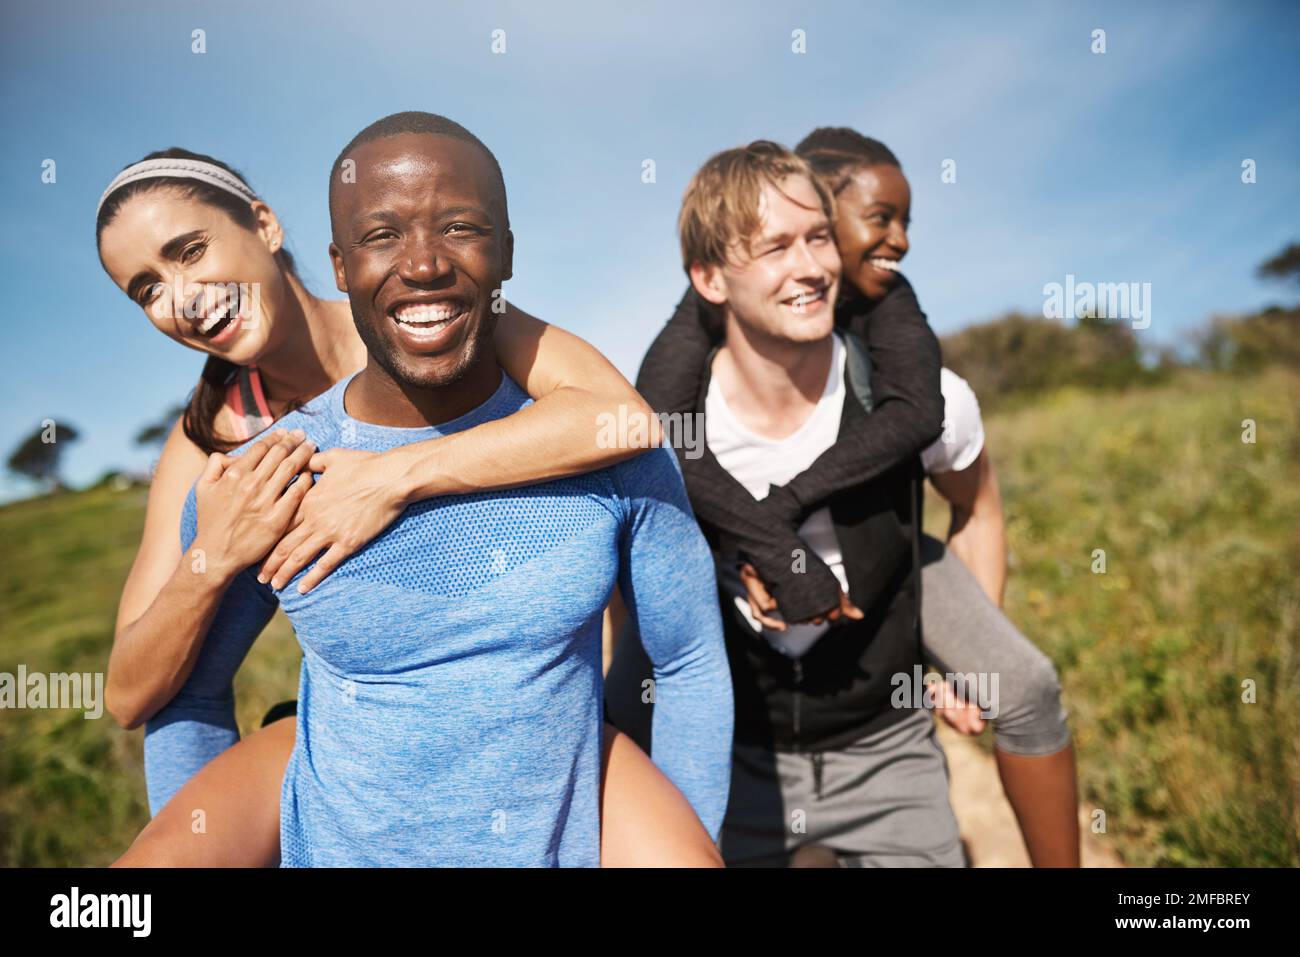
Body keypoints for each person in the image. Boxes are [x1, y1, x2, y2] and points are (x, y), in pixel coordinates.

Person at [115, 111, 733, 866]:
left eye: (190, 250)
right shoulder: (231, 456)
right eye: (148, 286)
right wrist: (212, 553)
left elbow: (623, 430)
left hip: (560, 756)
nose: (424, 263)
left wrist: (396, 475)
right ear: (344, 262)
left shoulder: (527, 372)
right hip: (335, 766)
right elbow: (145, 690)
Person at [613, 129, 1079, 866]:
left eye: (820, 238)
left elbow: (978, 504)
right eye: (775, 247)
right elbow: (625, 574)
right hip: (731, 757)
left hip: (884, 750)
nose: (811, 268)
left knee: (1027, 683)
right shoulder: (672, 419)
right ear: (709, 278)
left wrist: (964, 653)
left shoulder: (922, 388)